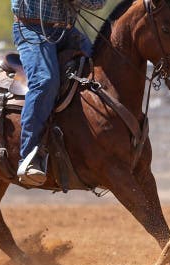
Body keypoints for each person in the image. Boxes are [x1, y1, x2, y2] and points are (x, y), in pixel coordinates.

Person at [11, 0, 107, 186]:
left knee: (103, 74)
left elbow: (98, 3)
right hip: (32, 29)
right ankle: (30, 154)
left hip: (67, 32)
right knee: (45, 81)